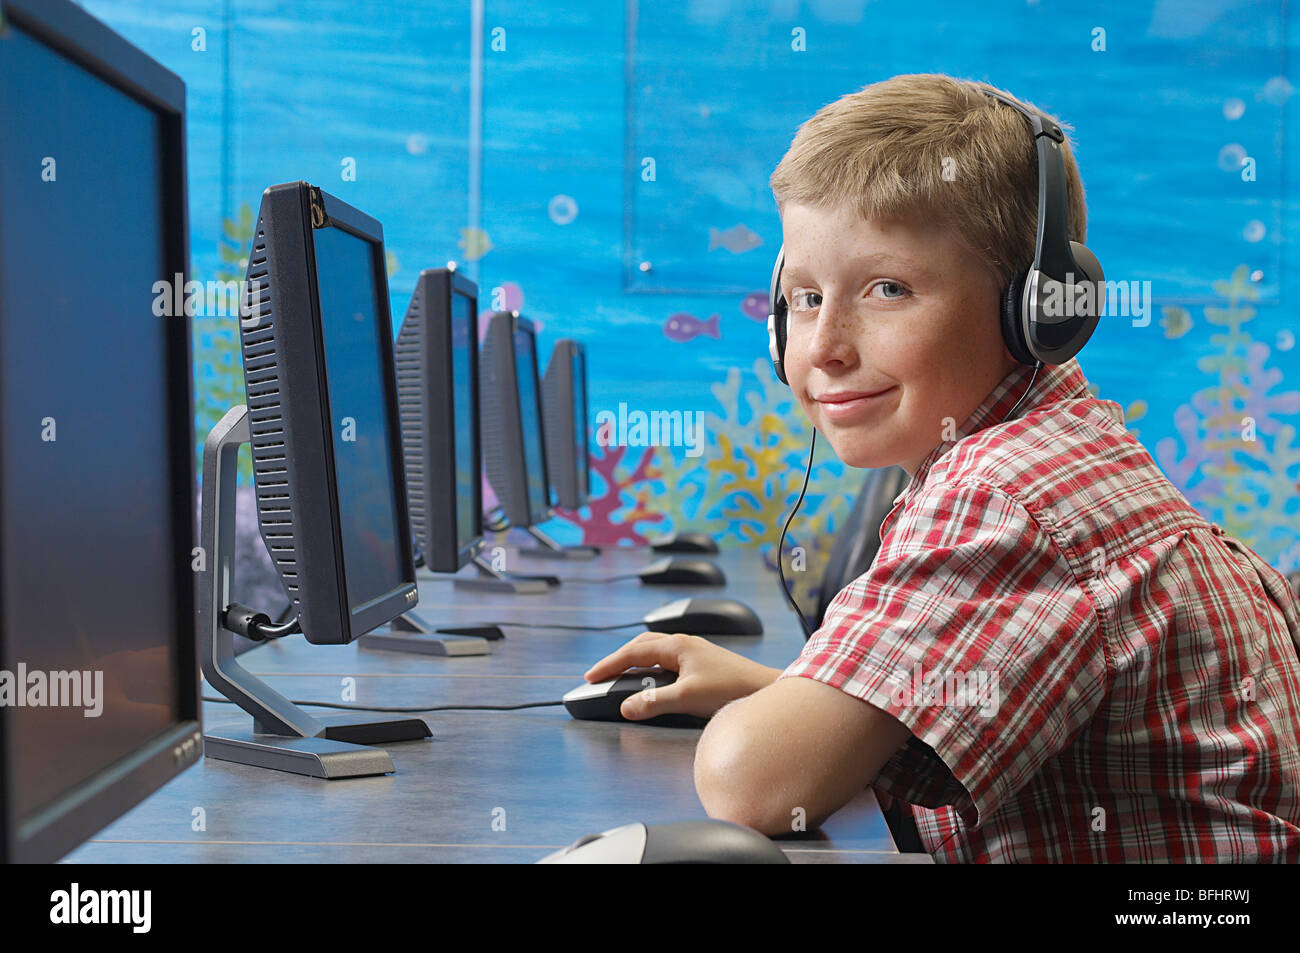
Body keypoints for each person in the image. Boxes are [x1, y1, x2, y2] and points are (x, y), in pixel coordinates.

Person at [584, 73, 1300, 862]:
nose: (823, 344)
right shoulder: (1064, 447)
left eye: (888, 289)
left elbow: (753, 783)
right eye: (805, 297)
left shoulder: (1009, 496)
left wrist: (774, 720)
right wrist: (786, 690)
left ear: (1037, 309)